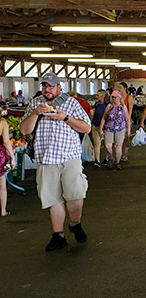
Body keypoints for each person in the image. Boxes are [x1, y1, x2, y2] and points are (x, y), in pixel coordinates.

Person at [19, 73, 92, 252]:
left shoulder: (72, 103)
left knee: (75, 195)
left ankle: (75, 223)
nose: (46, 90)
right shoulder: (35, 104)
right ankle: (58, 235)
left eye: (50, 86)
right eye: (44, 86)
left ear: (59, 87)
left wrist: (65, 118)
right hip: (46, 159)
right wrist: (36, 113)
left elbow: (87, 127)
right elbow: (24, 129)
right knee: (53, 199)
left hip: (70, 157)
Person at [99, 91, 130, 170]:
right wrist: (100, 128)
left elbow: (127, 119)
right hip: (109, 127)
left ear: (119, 98)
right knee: (107, 145)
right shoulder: (109, 106)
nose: (114, 99)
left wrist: (128, 129)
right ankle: (111, 157)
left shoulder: (123, 107)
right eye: (112, 97)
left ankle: (117, 162)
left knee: (118, 146)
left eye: (115, 97)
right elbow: (104, 117)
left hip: (120, 128)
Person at [0, 117, 16, 217]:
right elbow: (6, 141)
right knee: (2, 185)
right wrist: (12, 156)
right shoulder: (2, 122)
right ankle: (3, 211)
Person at [89, 89, 109, 167]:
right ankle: (97, 160)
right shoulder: (96, 104)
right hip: (95, 125)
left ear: (103, 96)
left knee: (107, 144)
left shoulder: (107, 105)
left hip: (105, 127)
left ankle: (106, 159)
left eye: (98, 95)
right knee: (96, 144)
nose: (96, 97)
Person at [118, 82, 134, 162]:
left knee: (126, 137)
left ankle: (125, 154)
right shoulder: (118, 97)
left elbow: (130, 108)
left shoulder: (129, 97)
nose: (119, 89)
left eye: (120, 87)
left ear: (125, 88)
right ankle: (119, 154)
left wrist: (128, 118)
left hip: (126, 119)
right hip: (119, 120)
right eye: (118, 87)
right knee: (119, 138)